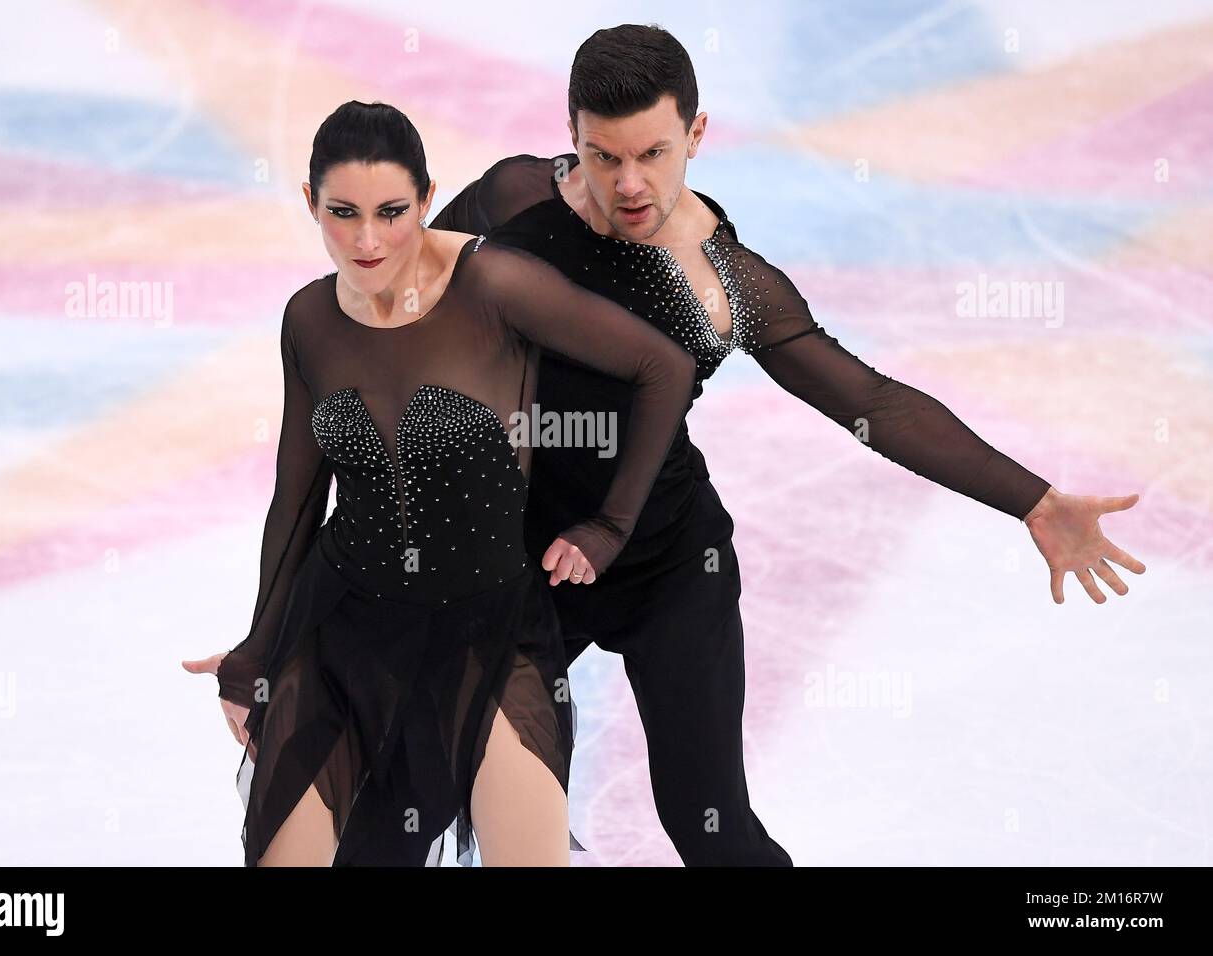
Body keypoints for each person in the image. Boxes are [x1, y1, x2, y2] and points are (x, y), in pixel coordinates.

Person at [425, 23, 1147, 865]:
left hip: (667, 566)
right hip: (526, 560)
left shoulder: (730, 286)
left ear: (696, 135)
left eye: (654, 153)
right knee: (439, 777)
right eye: (603, 155)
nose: (628, 183)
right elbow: (416, 298)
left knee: (710, 823)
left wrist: (1032, 498)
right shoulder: (515, 197)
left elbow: (870, 401)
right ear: (572, 136)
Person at [182, 99, 696, 867]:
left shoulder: (494, 286)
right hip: (340, 638)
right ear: (309, 203)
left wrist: (610, 527)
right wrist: (258, 650)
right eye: (342, 213)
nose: (366, 239)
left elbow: (664, 366)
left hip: (490, 637)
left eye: (392, 211)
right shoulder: (309, 321)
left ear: (426, 198)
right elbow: (296, 499)